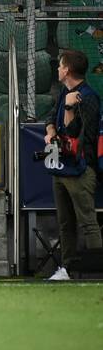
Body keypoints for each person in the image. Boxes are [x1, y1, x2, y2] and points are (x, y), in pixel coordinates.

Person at [44, 48, 102, 279]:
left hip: (80, 169)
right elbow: (50, 118)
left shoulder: (88, 97)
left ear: (67, 70)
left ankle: (97, 270)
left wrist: (69, 108)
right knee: (65, 223)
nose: (57, 69)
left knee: (87, 221)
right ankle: (67, 268)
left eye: (60, 66)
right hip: (60, 167)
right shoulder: (63, 91)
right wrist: (50, 132)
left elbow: (78, 134)